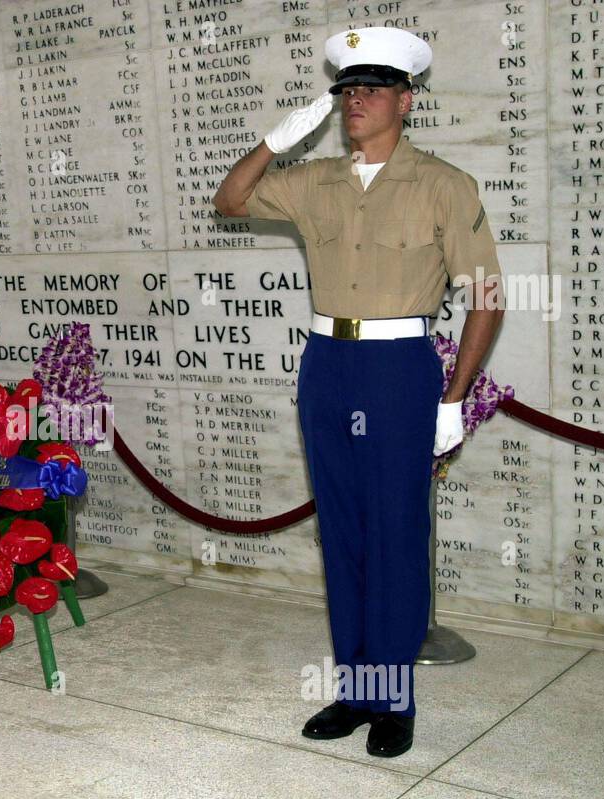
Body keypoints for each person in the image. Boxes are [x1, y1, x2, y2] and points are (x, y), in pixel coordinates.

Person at [214, 27, 504, 758]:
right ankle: (355, 690)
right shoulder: (316, 182)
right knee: (342, 531)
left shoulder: (443, 185)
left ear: (406, 101)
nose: (356, 101)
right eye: (347, 89)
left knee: (396, 532)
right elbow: (230, 198)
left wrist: (453, 398)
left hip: (399, 367)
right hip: (327, 366)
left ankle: (394, 699)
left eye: (373, 89)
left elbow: (487, 298)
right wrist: (277, 142)